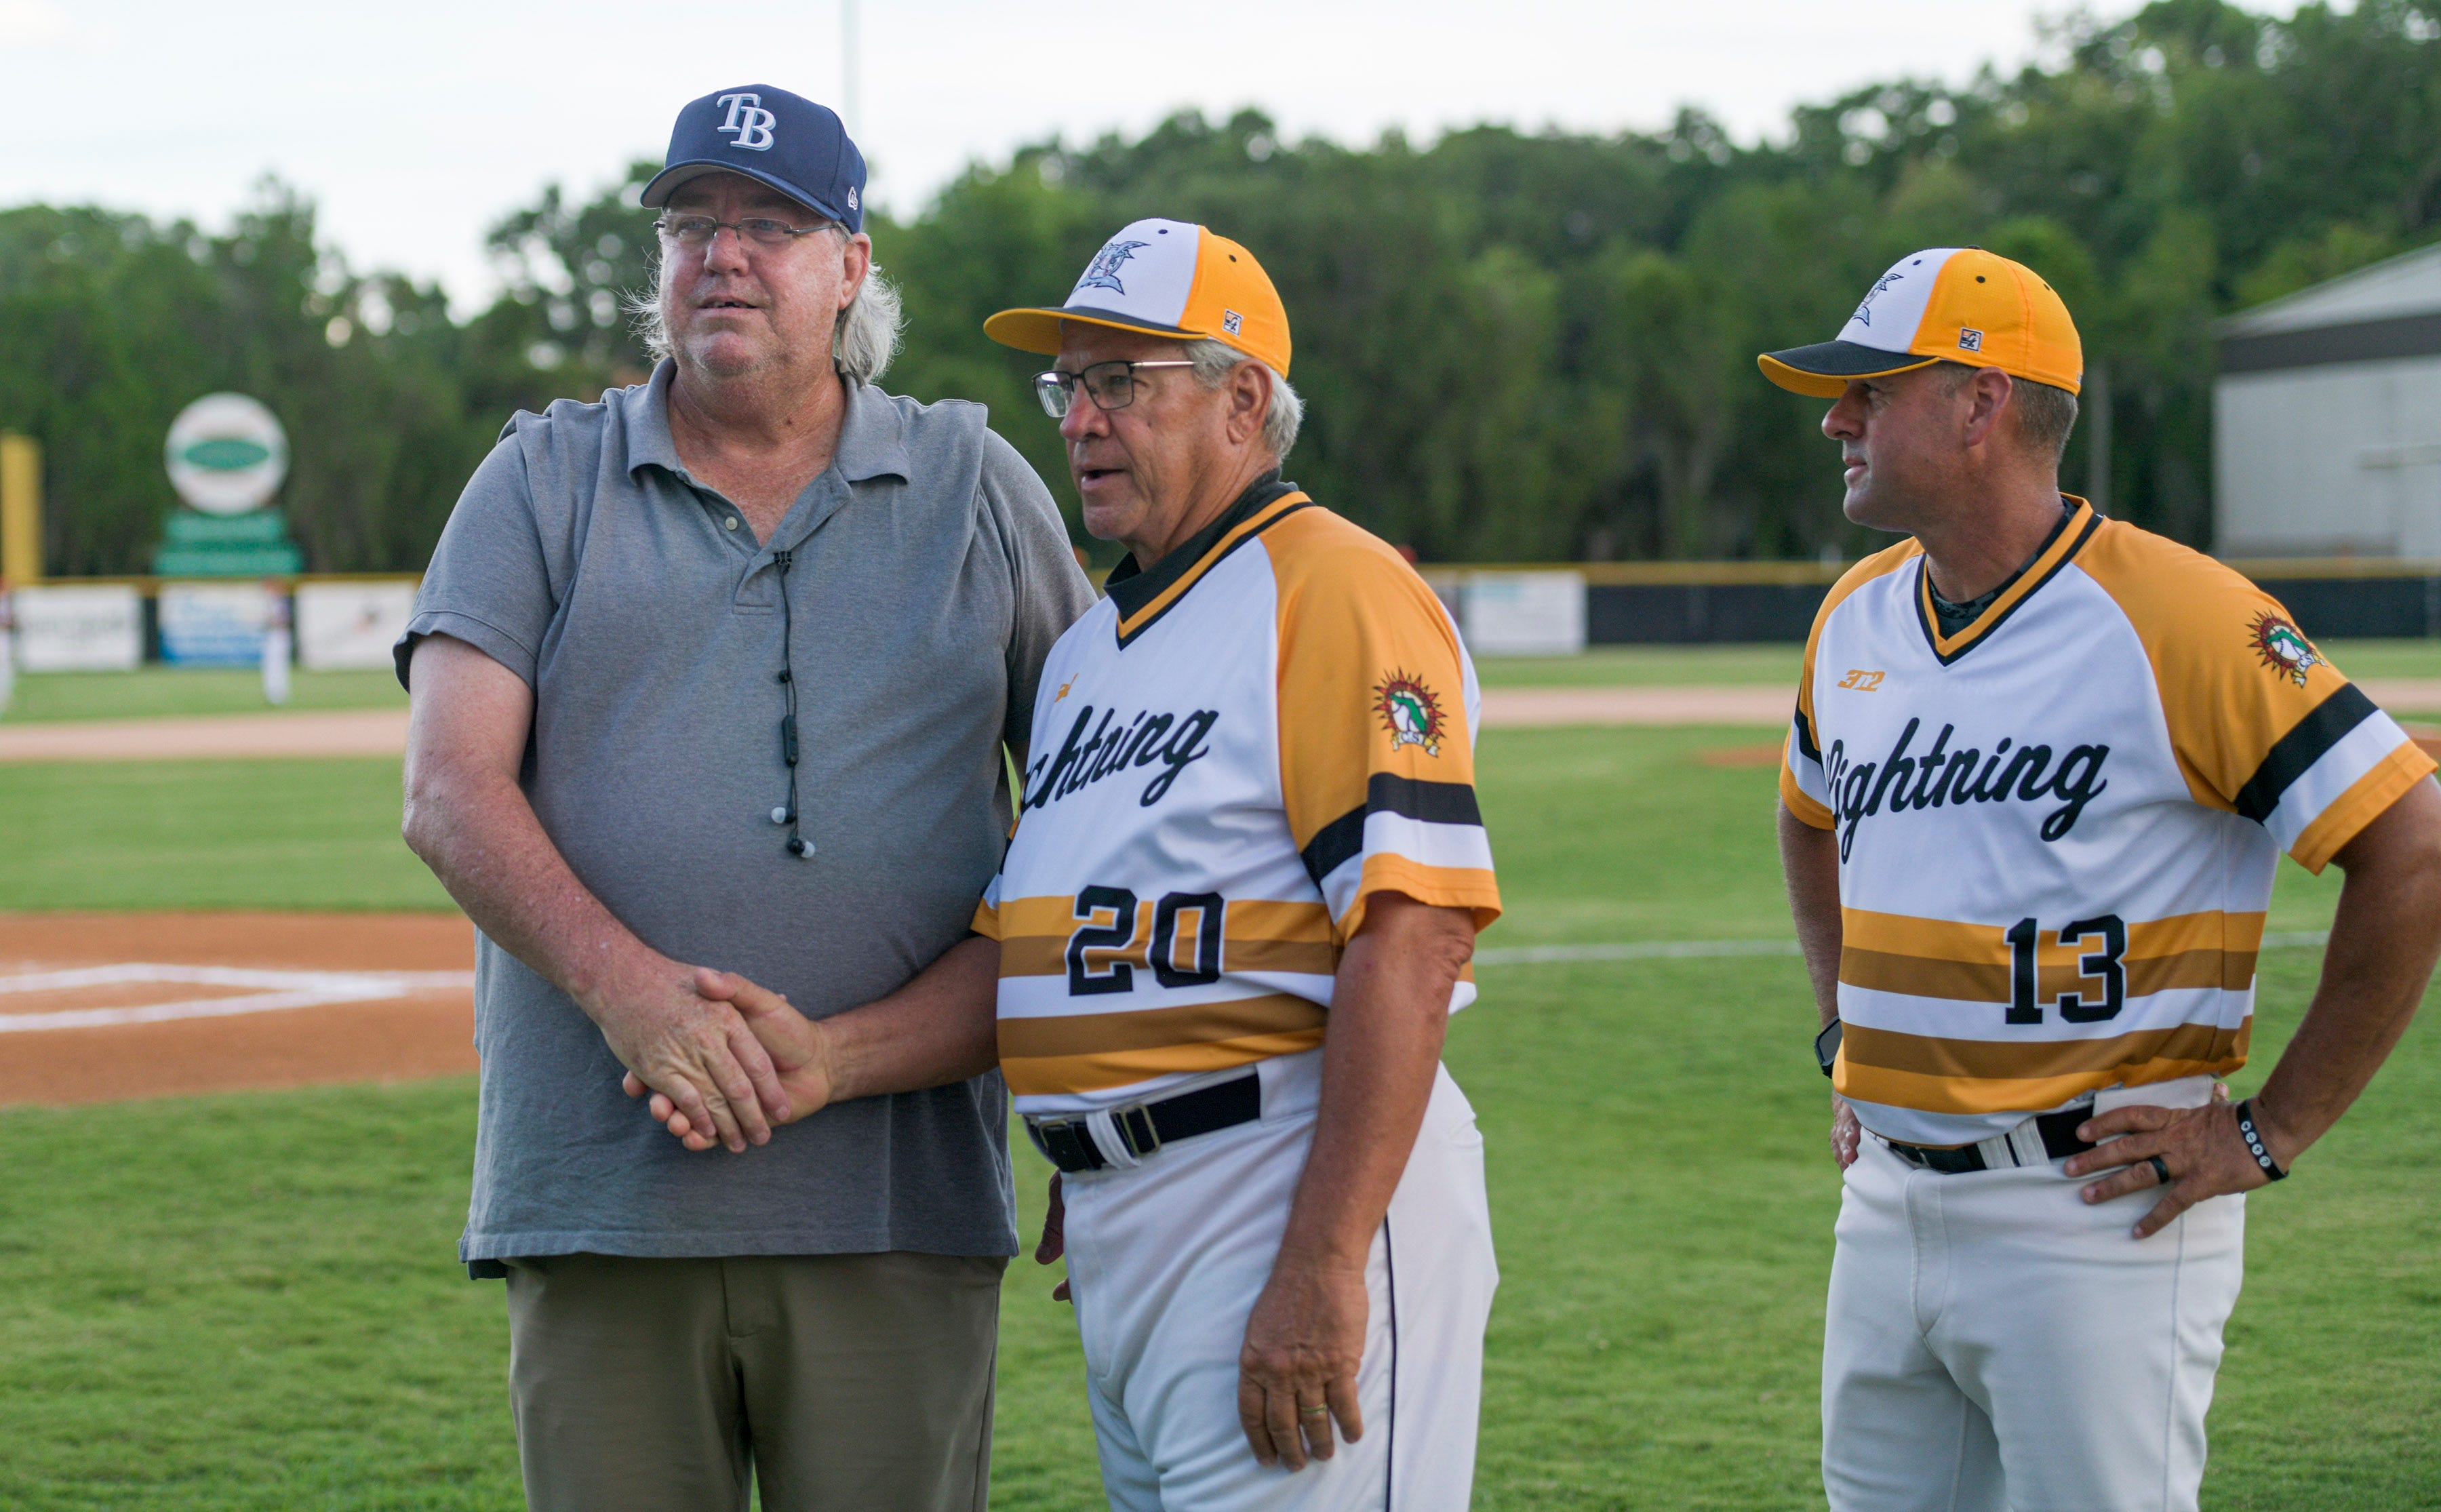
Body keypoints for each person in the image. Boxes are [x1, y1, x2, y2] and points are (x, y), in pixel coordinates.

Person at [637, 218, 1505, 1510]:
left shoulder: (1333, 589)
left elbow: (1416, 933)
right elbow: (1033, 949)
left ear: (1243, 400)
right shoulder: (1099, 646)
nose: (1082, 422)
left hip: (1281, 1188)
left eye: (1122, 386)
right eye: (1071, 388)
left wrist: (1325, 1261)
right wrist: (836, 1063)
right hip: (1126, 1222)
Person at [395, 83, 1094, 1512]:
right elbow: (449, 788)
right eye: (692, 224)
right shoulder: (540, 478)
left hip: (898, 1203)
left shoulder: (976, 484)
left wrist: (844, 1056)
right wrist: (631, 995)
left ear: (851, 267)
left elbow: (1097, 825)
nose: (723, 254)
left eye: (772, 224)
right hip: (601, 1195)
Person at [1764, 246, 2441, 1511]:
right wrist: (1840, 1030)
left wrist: (2268, 1130)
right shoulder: (1852, 614)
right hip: (1886, 1198)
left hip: (2097, 1211)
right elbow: (1806, 820)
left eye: (1872, 387)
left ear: (1981, 402)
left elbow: (2413, 842)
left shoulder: (2182, 615)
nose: (1835, 416)